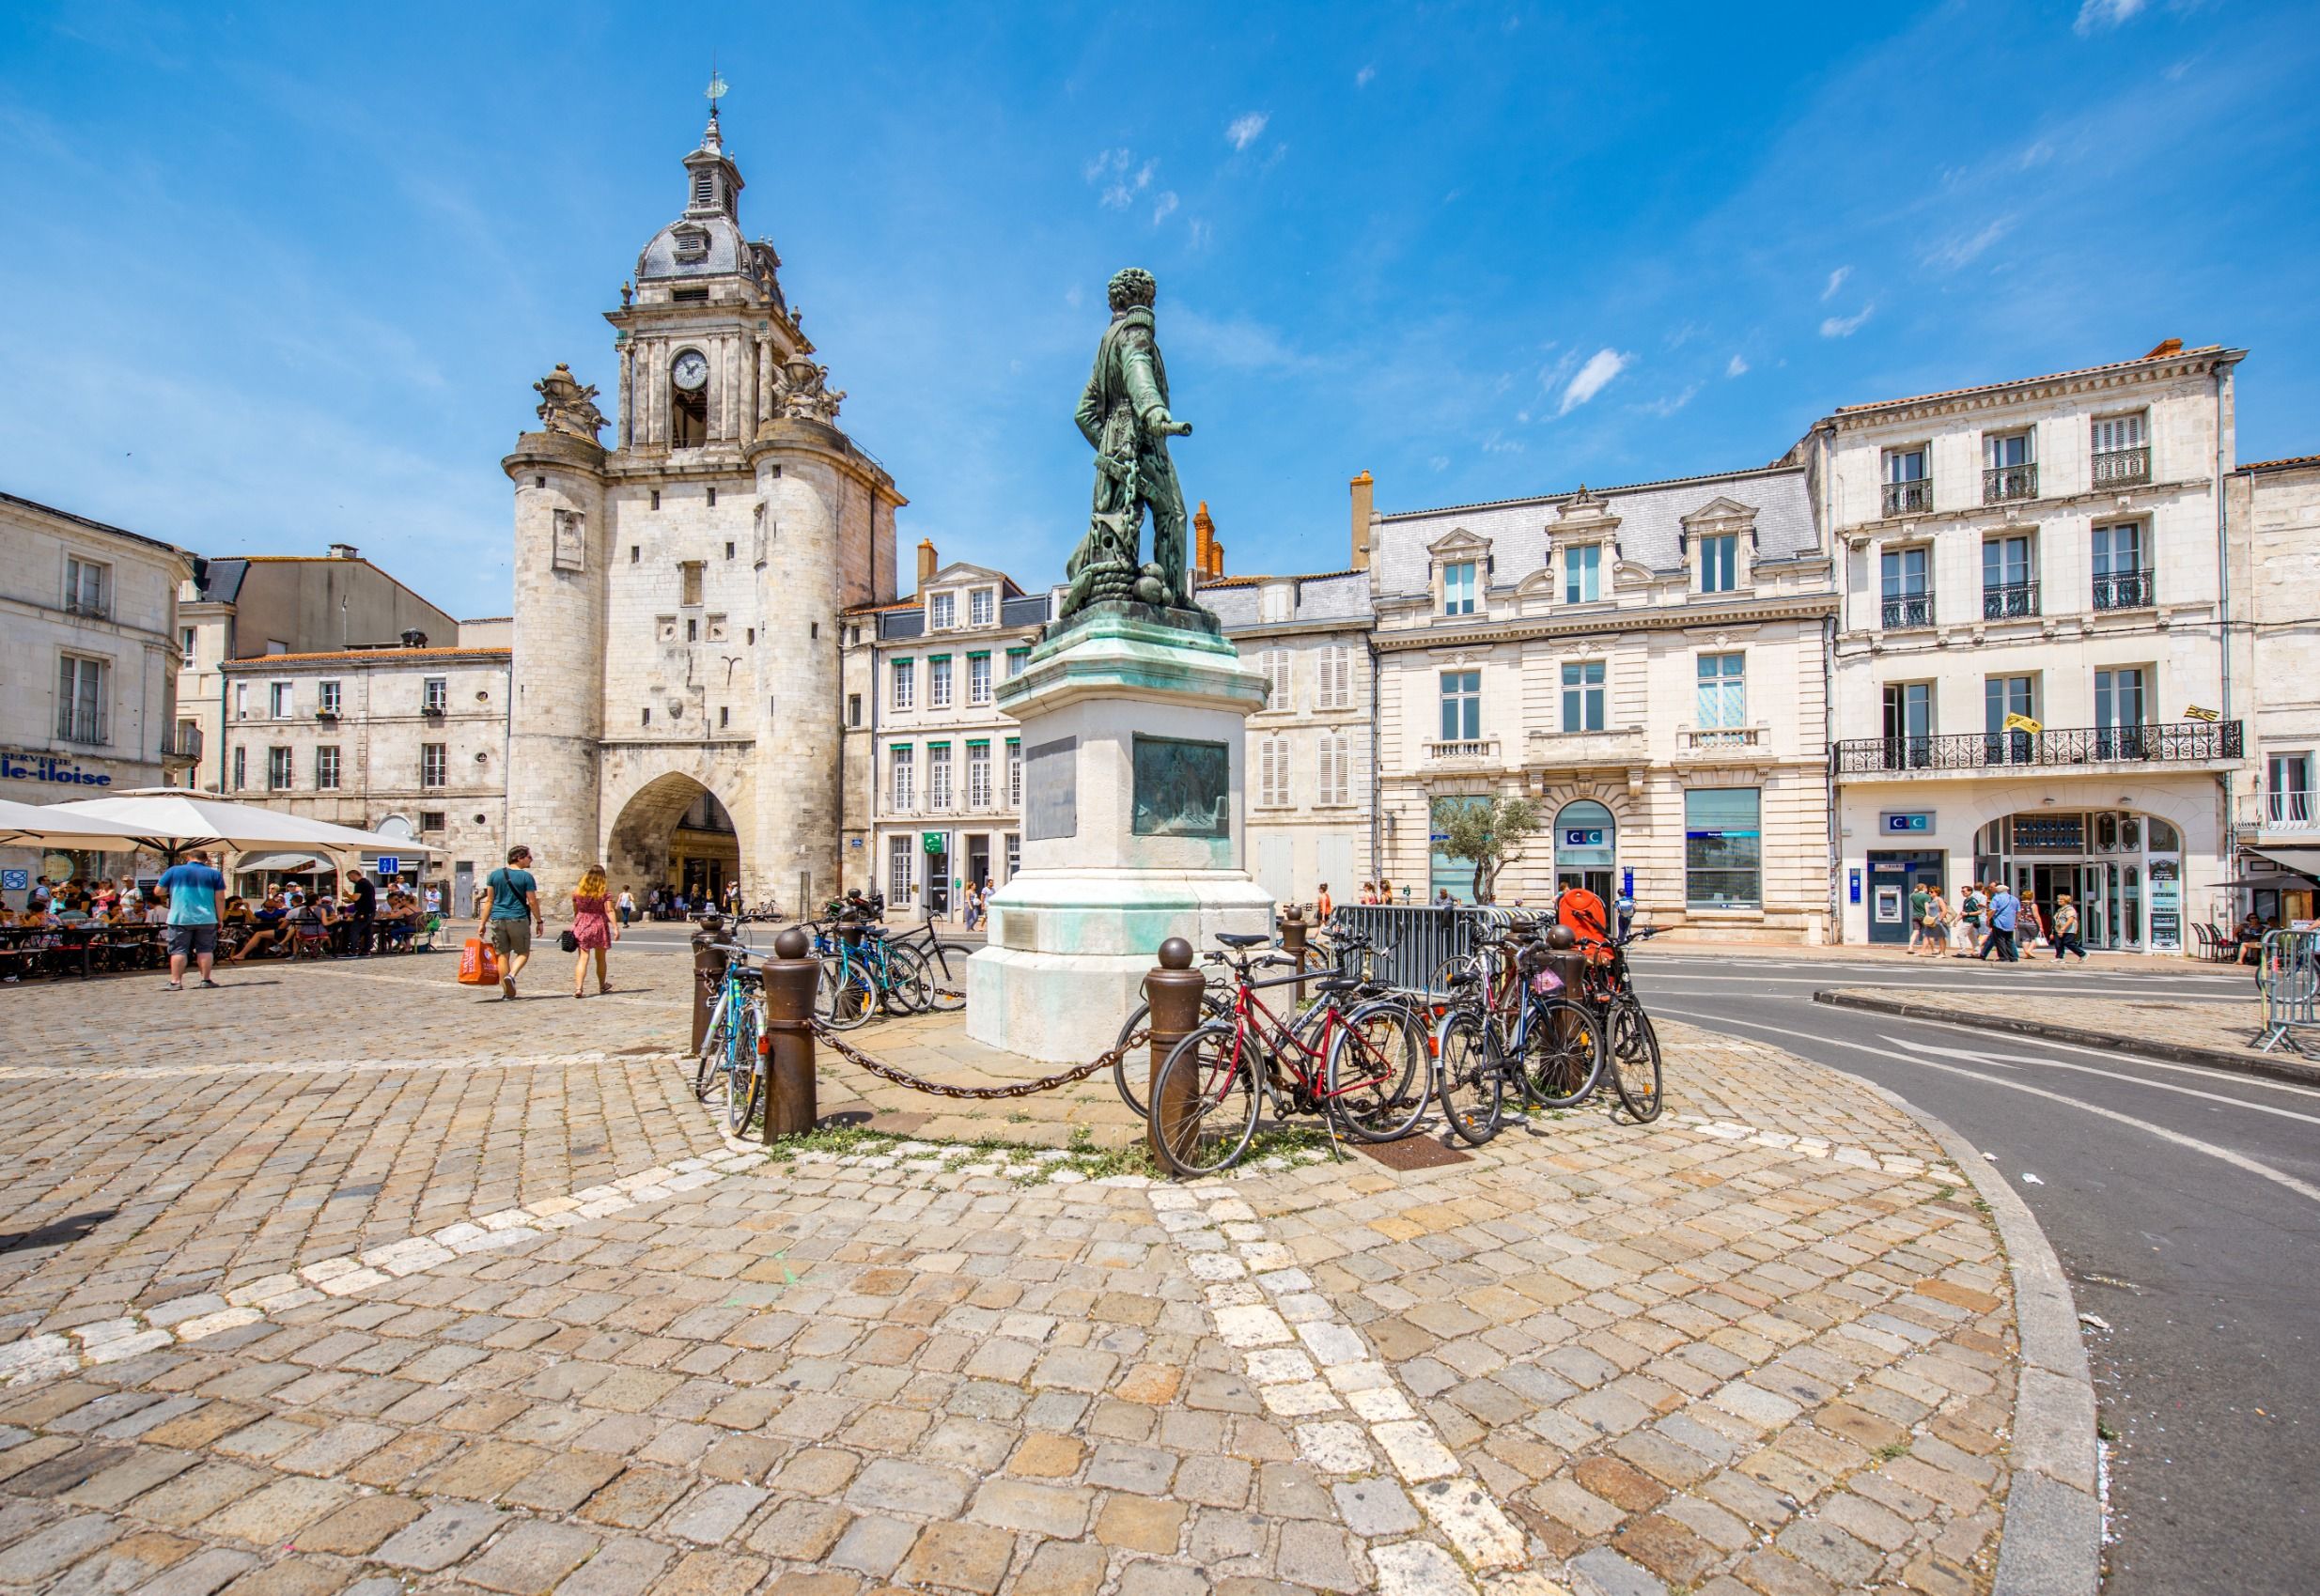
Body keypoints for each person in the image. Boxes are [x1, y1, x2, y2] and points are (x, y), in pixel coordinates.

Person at [157, 847, 227, 990]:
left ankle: (176, 982)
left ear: (188, 858)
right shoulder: (214, 874)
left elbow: (158, 891)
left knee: (179, 950)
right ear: (206, 859)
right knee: (206, 949)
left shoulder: (174, 871)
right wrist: (220, 919)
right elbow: (220, 898)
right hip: (207, 917)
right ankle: (206, 980)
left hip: (180, 917)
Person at [478, 845, 543, 999]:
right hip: (518, 918)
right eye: (529, 857)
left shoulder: (494, 875)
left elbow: (489, 901)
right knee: (523, 952)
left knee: (502, 955)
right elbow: (532, 902)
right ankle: (511, 976)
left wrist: (482, 923)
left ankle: (507, 993)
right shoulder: (526, 877)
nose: (531, 860)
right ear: (519, 858)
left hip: (497, 919)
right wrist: (539, 921)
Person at [568, 863, 618, 998]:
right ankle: (602, 985)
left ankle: (579, 988)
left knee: (583, 958)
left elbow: (576, 910)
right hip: (599, 925)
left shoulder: (578, 893)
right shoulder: (604, 893)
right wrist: (615, 927)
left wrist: (577, 922)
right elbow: (609, 910)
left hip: (582, 924)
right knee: (600, 958)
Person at [1980, 883, 2021, 963]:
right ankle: (2013, 957)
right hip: (2010, 922)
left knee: (2000, 940)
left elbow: (1993, 910)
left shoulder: (1996, 898)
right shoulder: (2014, 899)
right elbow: (2018, 911)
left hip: (1999, 921)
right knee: (2009, 940)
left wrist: (1988, 919)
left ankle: (2003, 957)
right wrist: (2016, 921)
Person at [347, 869, 379, 957]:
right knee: (367, 930)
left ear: (353, 875)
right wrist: (350, 900)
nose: (350, 880)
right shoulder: (367, 882)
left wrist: (347, 895)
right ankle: (366, 950)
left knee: (354, 929)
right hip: (370, 910)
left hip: (364, 911)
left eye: (349, 878)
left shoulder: (360, 884)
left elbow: (356, 898)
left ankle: (353, 951)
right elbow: (362, 898)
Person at [2051, 893, 2087, 962]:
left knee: (2068, 942)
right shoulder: (2060, 909)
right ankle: (2059, 957)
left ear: (2066, 901)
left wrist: (2063, 929)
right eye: (2058, 899)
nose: (2059, 900)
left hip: (2068, 930)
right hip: (2058, 929)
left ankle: (2082, 954)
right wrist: (2053, 932)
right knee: (2058, 943)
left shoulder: (2069, 909)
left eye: (2061, 899)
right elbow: (2057, 920)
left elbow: (2070, 920)